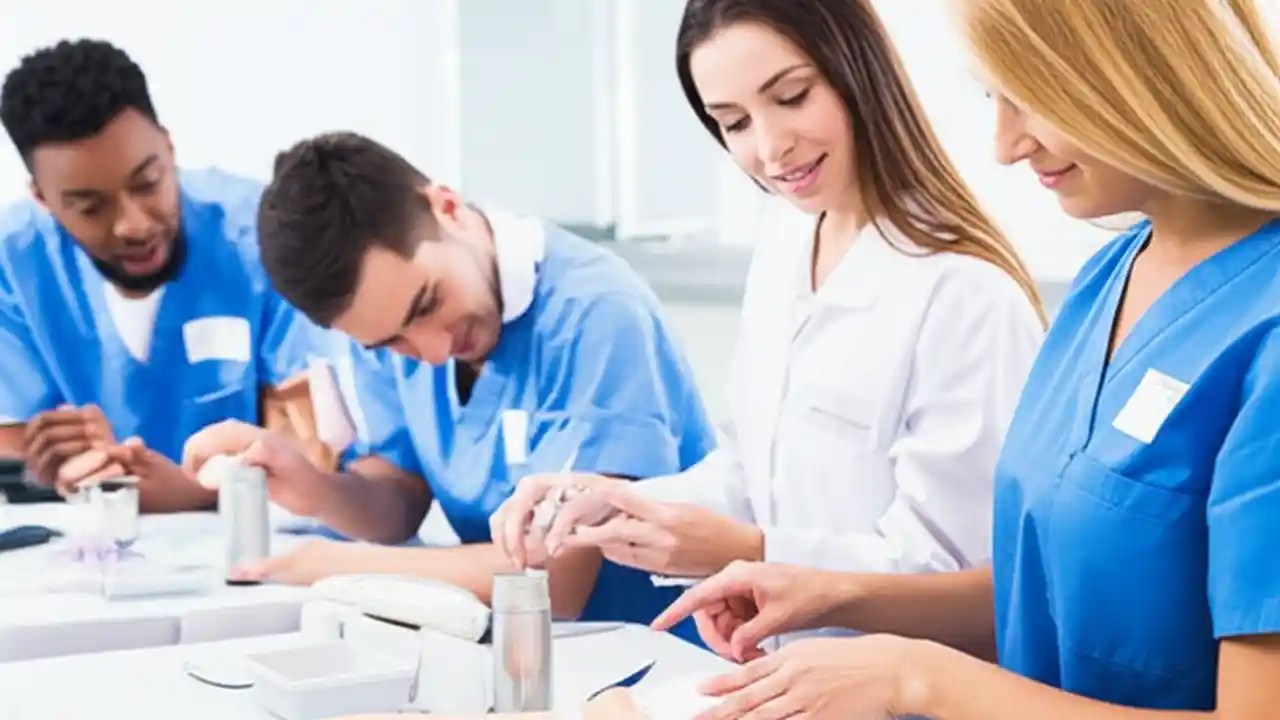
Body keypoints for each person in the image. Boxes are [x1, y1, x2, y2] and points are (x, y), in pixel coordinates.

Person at [649, 0, 1280, 717]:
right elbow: (1043, 587)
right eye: (992, 97)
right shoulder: (1110, 278)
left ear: (1141, 70)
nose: (1004, 145)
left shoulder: (1264, 330)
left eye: (1033, 97)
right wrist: (832, 592)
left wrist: (916, 677)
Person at [492, 0, 1044, 614]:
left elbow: (958, 574)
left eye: (792, 97)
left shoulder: (965, 294)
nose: (771, 147)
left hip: (900, 695)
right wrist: (620, 504)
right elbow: (751, 474)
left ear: (857, 69)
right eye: (734, 123)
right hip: (790, 678)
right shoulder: (786, 243)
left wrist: (751, 552)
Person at [183, 132, 716, 633]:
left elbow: (555, 580)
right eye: (392, 343)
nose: (431, 352)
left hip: (653, 656)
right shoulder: (386, 317)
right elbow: (399, 501)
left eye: (429, 303)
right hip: (515, 651)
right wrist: (312, 487)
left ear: (448, 209)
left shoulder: (595, 314)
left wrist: (332, 565)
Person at [0, 39, 335, 511]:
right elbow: (15, 454)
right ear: (43, 199)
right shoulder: (13, 265)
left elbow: (316, 456)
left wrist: (195, 492)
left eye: (148, 182)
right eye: (90, 207)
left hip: (251, 545)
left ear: (169, 147)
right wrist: (57, 465)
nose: (133, 225)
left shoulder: (262, 236)